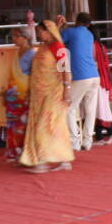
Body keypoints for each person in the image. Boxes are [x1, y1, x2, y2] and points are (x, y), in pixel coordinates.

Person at [19, 20, 76, 174]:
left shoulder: (58, 47)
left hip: (54, 93)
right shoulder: (44, 47)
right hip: (40, 94)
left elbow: (66, 70)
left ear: (48, 31)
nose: (38, 34)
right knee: (56, 126)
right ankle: (63, 160)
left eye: (40, 31)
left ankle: (42, 161)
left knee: (45, 126)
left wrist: (67, 90)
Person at [60, 12, 101, 152]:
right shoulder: (89, 35)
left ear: (76, 21)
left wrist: (61, 26)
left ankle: (74, 142)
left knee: (69, 108)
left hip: (81, 76)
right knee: (90, 110)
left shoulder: (70, 32)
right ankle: (87, 142)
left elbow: (57, 40)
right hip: (94, 76)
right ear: (88, 24)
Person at [0, 27, 34, 161]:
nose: (14, 39)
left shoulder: (32, 54)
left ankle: (23, 152)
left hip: (24, 94)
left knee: (22, 125)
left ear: (25, 38)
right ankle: (13, 151)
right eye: (13, 36)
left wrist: (30, 94)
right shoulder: (17, 52)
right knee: (12, 124)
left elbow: (33, 75)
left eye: (16, 36)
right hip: (13, 94)